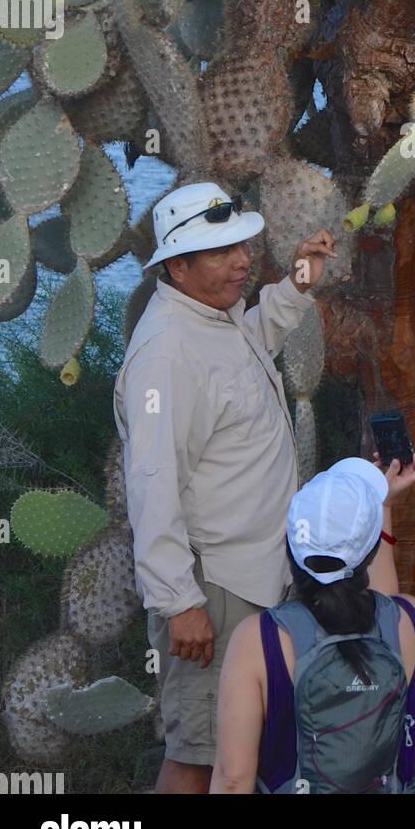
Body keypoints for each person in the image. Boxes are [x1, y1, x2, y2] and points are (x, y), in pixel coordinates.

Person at [113, 180, 337, 794]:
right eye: (222, 251)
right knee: (200, 754)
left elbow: (256, 340)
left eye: (243, 244)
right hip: (213, 591)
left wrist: (296, 284)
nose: (242, 260)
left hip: (253, 577)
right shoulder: (166, 354)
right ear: (178, 267)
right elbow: (152, 484)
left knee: (235, 749)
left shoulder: (217, 317)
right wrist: (178, 601)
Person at [209, 454, 415, 793]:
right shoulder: (408, 620)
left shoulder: (260, 640)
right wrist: (383, 511)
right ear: (370, 552)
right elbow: (381, 607)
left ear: (290, 546)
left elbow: (233, 779)